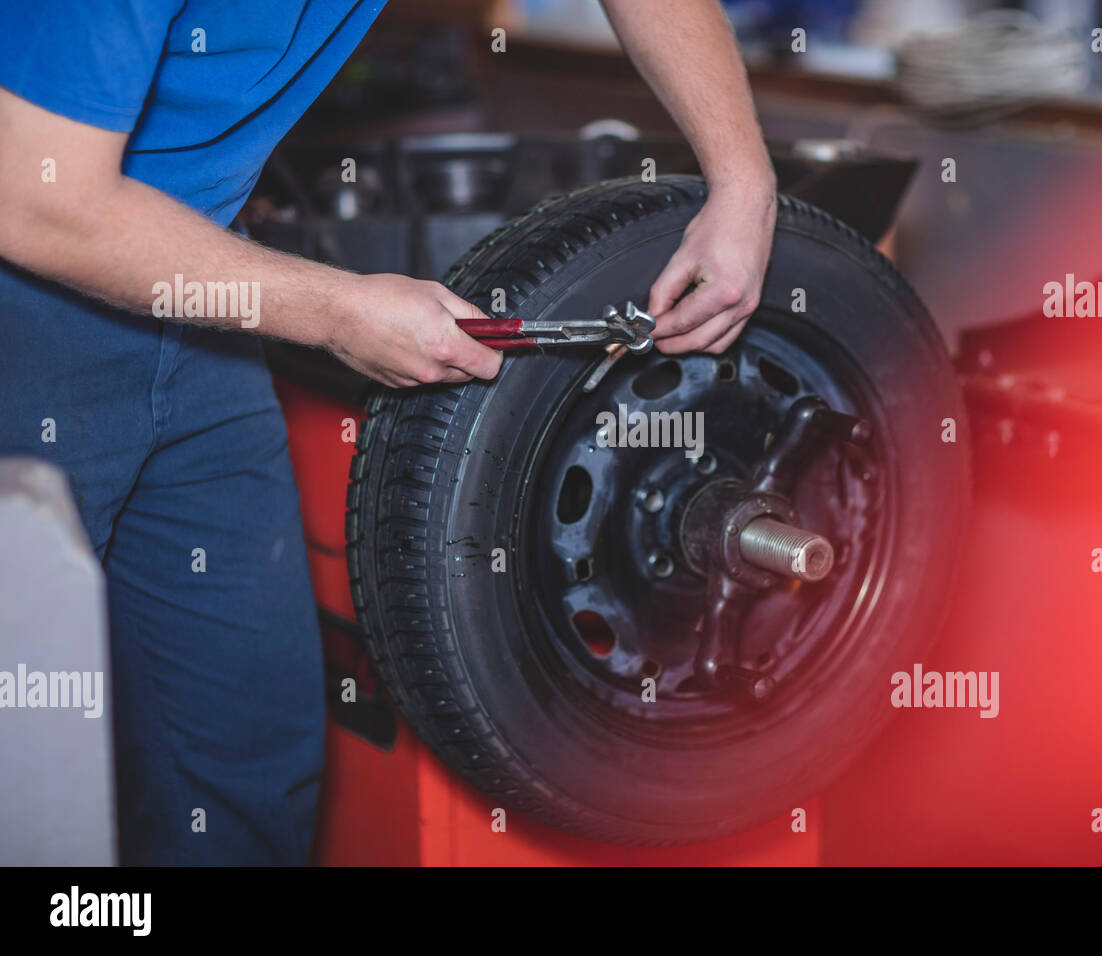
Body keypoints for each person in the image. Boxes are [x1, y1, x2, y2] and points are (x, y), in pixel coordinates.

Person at [0, 0, 777, 864]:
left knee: (238, 760)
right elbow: (30, 198)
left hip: (193, 278)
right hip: (24, 302)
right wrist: (332, 310)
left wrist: (743, 181)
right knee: (27, 765)